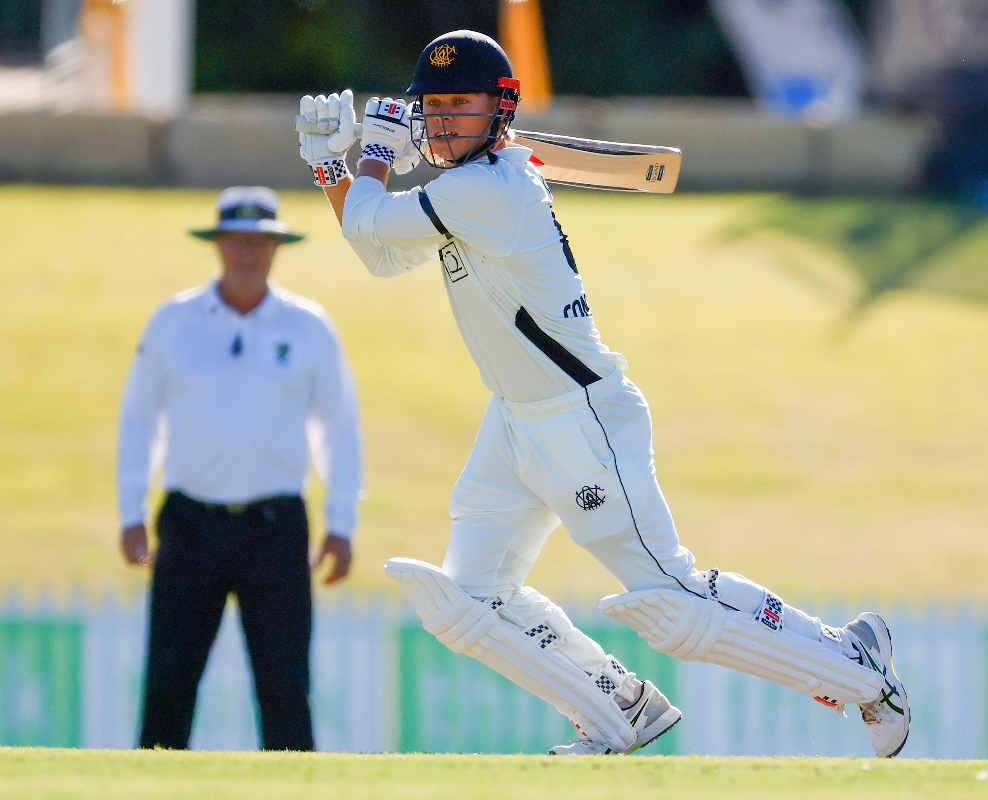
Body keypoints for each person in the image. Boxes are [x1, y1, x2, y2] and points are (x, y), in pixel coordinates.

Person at [297, 31, 909, 757]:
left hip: (580, 418)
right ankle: (619, 706)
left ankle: (857, 667)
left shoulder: (488, 189)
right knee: (471, 601)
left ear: (501, 109)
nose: (443, 120)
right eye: (432, 107)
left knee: (670, 606)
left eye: (461, 104)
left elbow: (371, 221)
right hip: (516, 419)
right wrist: (339, 168)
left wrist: (365, 158)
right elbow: (381, 253)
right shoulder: (464, 188)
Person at [116, 186, 364, 751]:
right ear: (218, 245)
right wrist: (130, 509)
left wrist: (342, 522)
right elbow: (140, 420)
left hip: (275, 528)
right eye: (237, 241)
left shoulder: (308, 326)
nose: (247, 253)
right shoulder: (173, 321)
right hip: (189, 522)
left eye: (260, 242)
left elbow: (339, 427)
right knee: (169, 688)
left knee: (284, 689)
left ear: (276, 248)